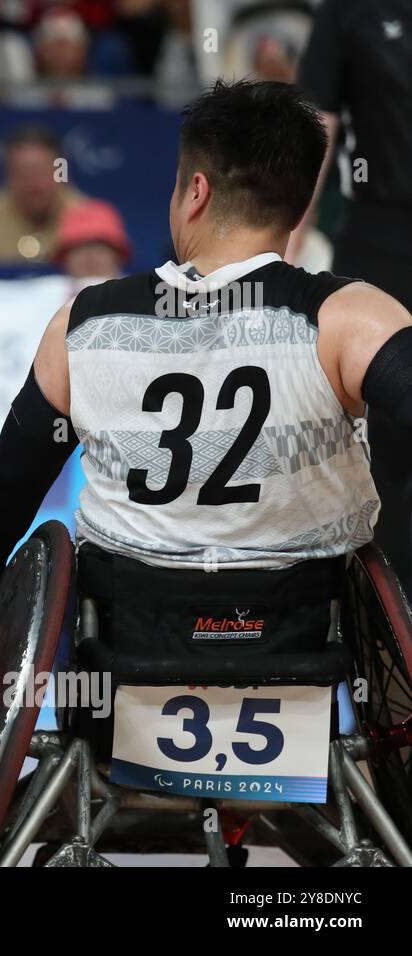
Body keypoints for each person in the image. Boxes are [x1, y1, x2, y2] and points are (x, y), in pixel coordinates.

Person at [0, 80, 412, 671]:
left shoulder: (85, 321)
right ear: (298, 207)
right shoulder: (351, 316)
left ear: (195, 191)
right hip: (303, 631)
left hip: (127, 632)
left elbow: (14, 480)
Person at [291, 0, 412, 595]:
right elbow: (318, 121)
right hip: (383, 236)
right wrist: (285, 241)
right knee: (382, 435)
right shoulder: (349, 11)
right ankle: (392, 624)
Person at [0, 124, 86, 264]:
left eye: (42, 173)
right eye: (23, 174)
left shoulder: (89, 216)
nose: (33, 184)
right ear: (6, 176)